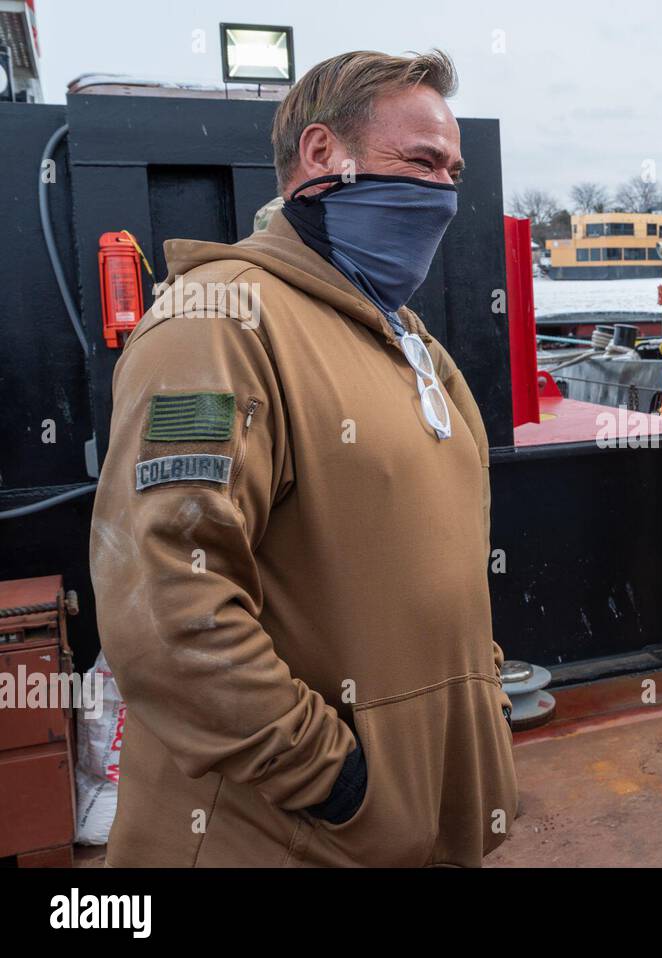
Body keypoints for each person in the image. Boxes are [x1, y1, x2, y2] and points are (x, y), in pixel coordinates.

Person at [89, 49, 517, 867]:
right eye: (421, 162)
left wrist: (480, 698)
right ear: (322, 156)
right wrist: (335, 776)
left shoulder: (408, 341)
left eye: (453, 170)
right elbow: (167, 599)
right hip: (286, 835)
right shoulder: (215, 327)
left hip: (412, 822)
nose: (443, 194)